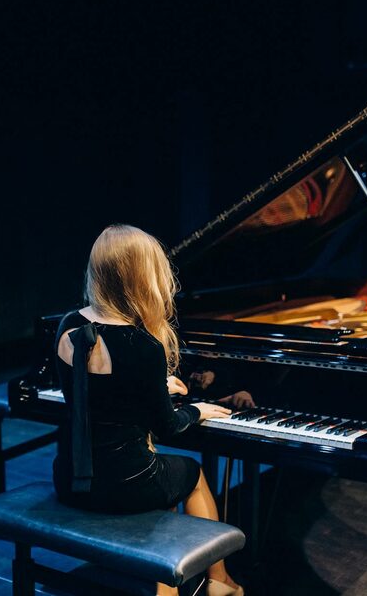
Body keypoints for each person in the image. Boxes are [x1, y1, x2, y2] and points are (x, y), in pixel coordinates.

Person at [53, 224, 244, 596]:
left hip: (71, 479)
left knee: (159, 476)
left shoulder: (68, 326)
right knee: (190, 472)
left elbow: (98, 393)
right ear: (143, 276)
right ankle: (219, 580)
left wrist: (153, 387)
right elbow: (169, 427)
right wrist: (199, 410)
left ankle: (169, 581)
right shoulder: (143, 347)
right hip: (127, 486)